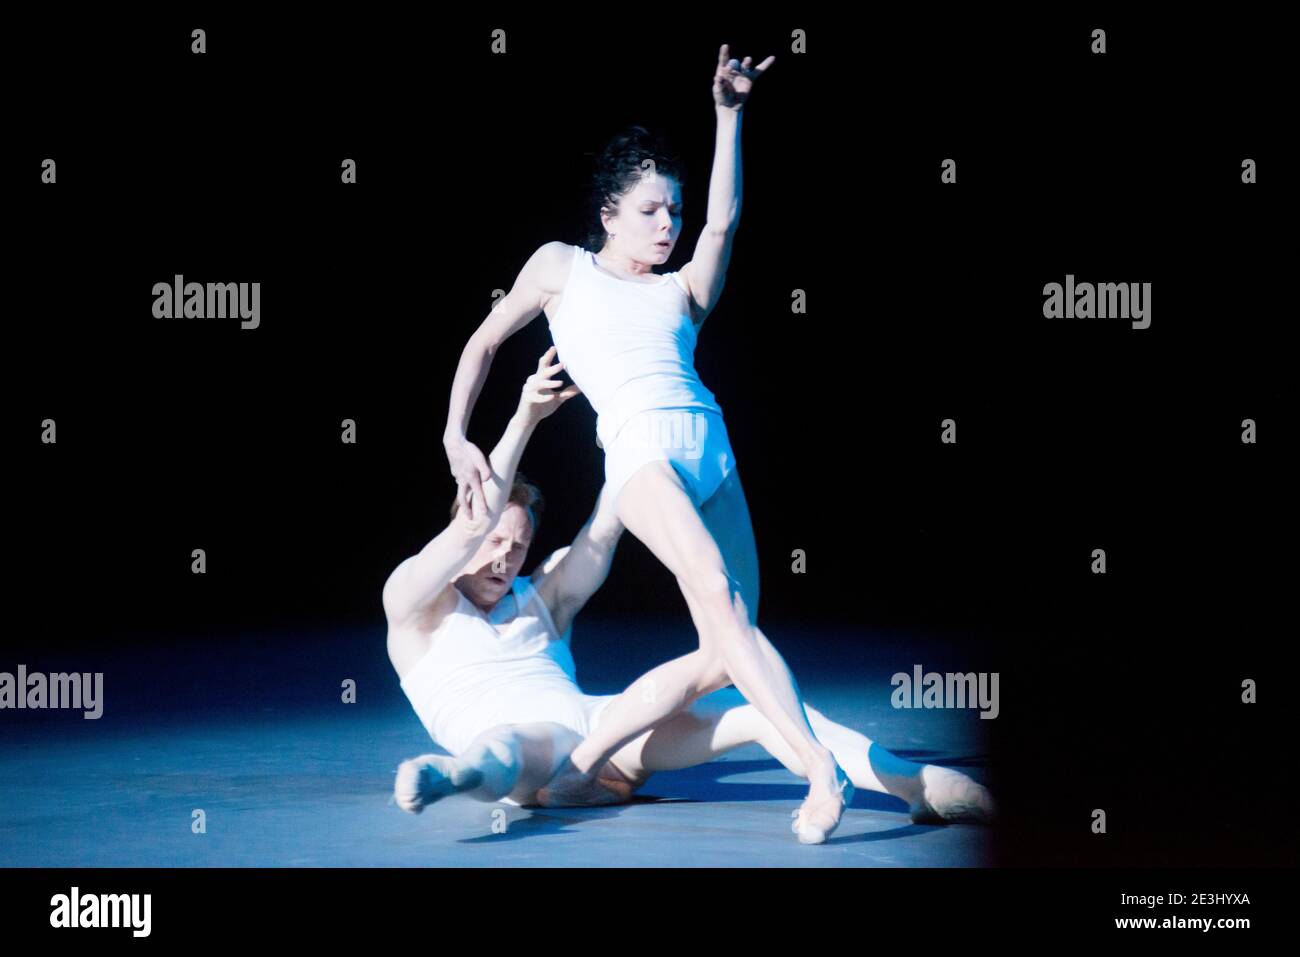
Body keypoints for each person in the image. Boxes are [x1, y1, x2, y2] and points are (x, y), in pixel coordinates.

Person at [441, 43, 856, 844]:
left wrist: (728, 116)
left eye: (673, 210)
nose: (668, 224)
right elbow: (483, 342)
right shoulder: (562, 269)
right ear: (608, 214)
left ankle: (585, 761)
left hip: (712, 449)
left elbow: (725, 220)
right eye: (650, 211)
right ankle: (820, 771)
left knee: (730, 644)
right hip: (640, 457)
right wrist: (455, 433)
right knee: (728, 610)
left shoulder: (684, 290)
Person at [390, 348, 995, 828]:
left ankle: (917, 784)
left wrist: (633, 440)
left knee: (749, 691)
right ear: (466, 532)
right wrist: (525, 416)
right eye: (495, 542)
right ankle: (453, 776)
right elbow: (474, 521)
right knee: (505, 746)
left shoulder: (540, 595)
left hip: (609, 727)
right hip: (518, 746)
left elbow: (603, 530)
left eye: (518, 545)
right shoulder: (415, 603)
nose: (505, 556)